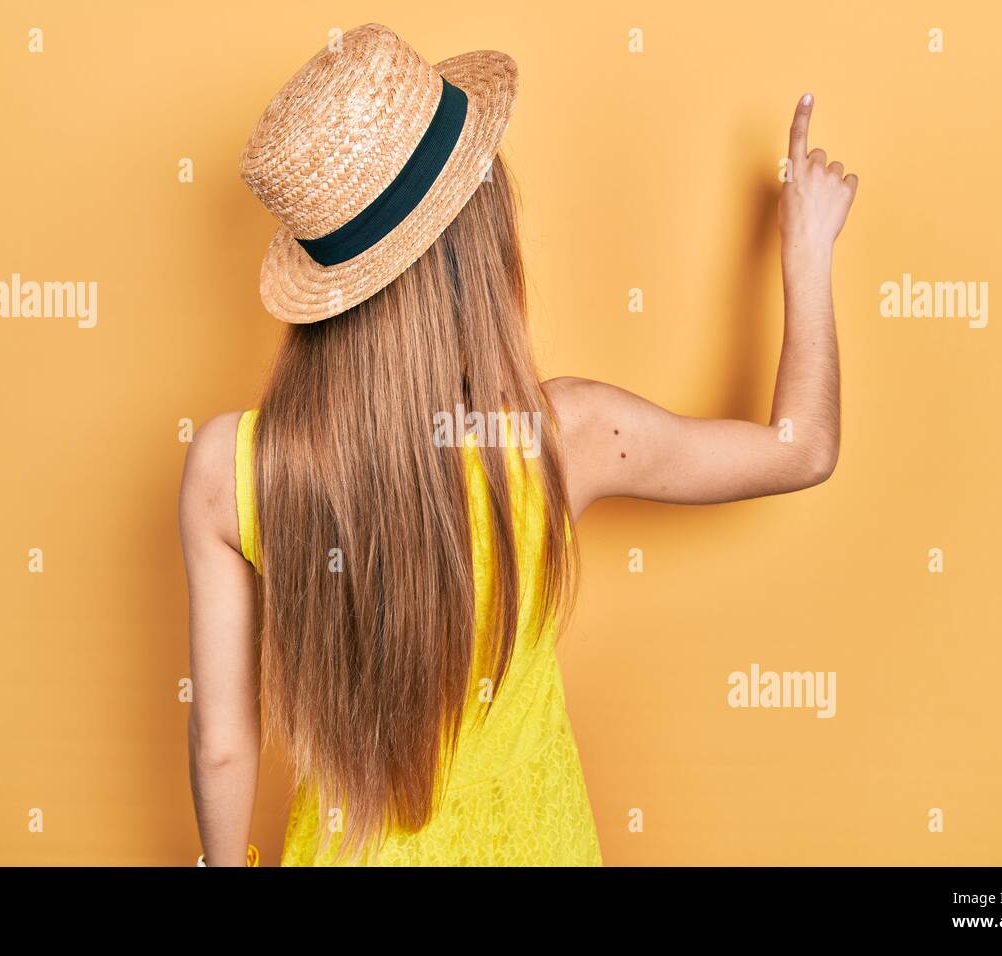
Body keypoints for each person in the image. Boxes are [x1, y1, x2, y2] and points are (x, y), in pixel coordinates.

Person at [179, 23, 856, 866]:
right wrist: (806, 252)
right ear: (482, 241)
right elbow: (803, 448)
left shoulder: (232, 468)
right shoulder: (563, 438)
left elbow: (221, 743)